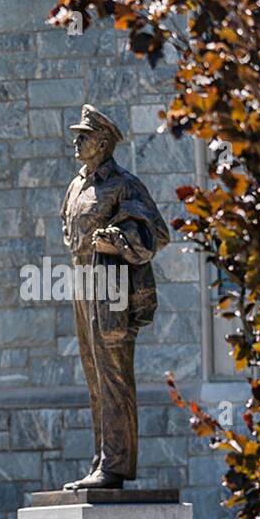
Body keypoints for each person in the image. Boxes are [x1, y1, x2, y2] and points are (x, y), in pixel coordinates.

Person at [60, 104, 170, 490]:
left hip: (112, 288)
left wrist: (118, 242)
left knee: (115, 377)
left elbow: (156, 233)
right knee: (94, 377)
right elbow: (68, 228)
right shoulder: (77, 185)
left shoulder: (123, 184)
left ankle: (115, 466)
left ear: (104, 142)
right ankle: (100, 461)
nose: (77, 141)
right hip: (82, 283)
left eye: (84, 135)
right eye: (77, 134)